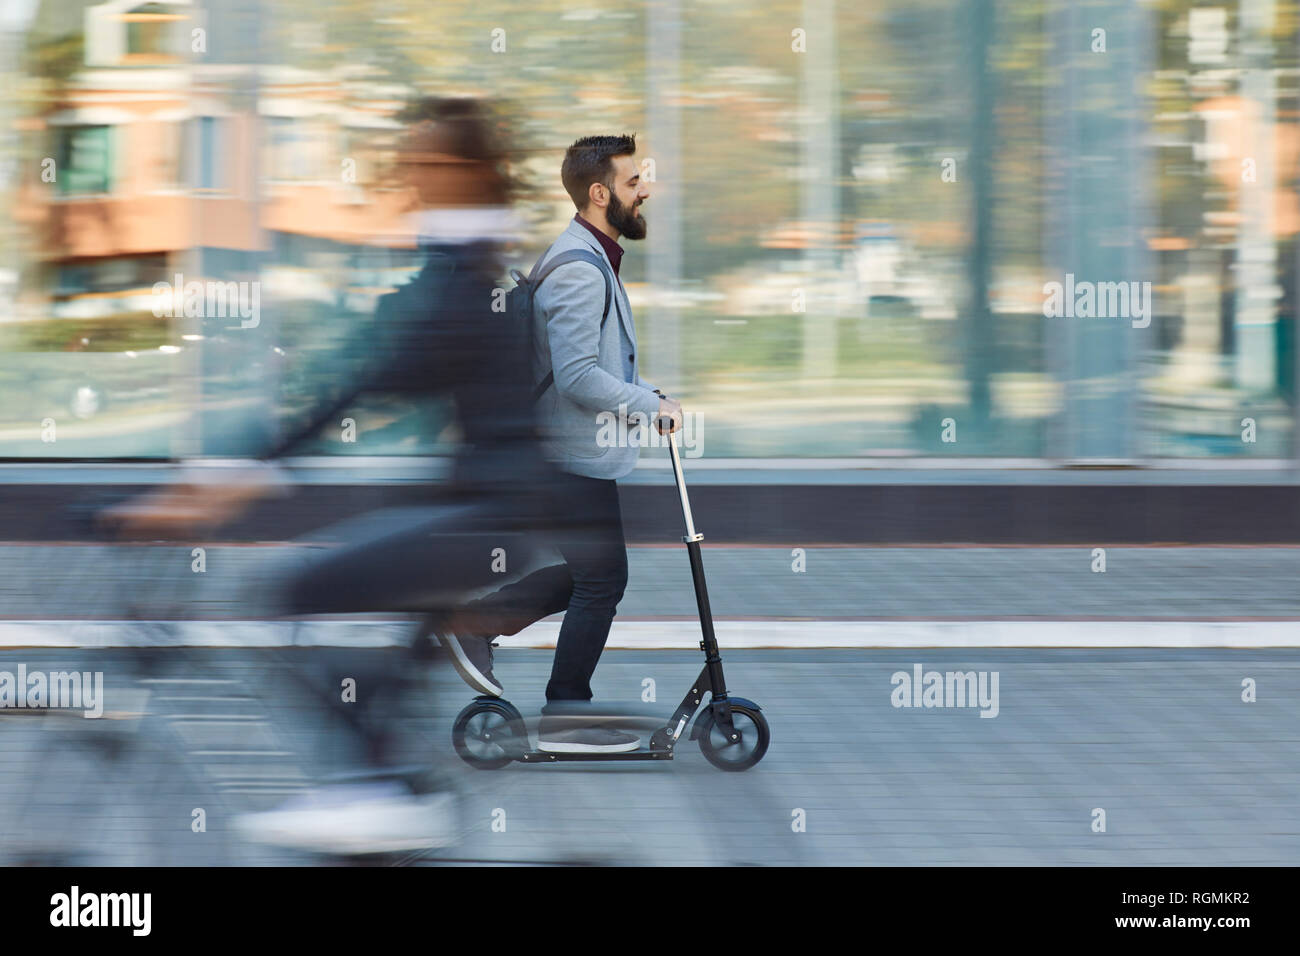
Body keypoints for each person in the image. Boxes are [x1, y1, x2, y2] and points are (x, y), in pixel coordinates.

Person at [104, 98, 558, 854]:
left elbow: (364, 380)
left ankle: (377, 789)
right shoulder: (470, 266)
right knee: (365, 664)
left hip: (493, 522)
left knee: (291, 589)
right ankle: (391, 790)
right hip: (490, 515)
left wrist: (229, 482)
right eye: (407, 163)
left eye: (425, 164)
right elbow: (371, 379)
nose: (410, 178)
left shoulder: (467, 275)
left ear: (467, 173)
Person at [434, 134, 684, 755]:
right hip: (570, 456)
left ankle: (483, 627)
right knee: (601, 580)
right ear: (600, 194)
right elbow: (576, 377)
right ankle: (565, 704)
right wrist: (650, 406)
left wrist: (651, 397)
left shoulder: (590, 255)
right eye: (633, 183)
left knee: (595, 575)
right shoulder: (579, 267)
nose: (645, 189)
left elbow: (595, 365)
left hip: (571, 452)